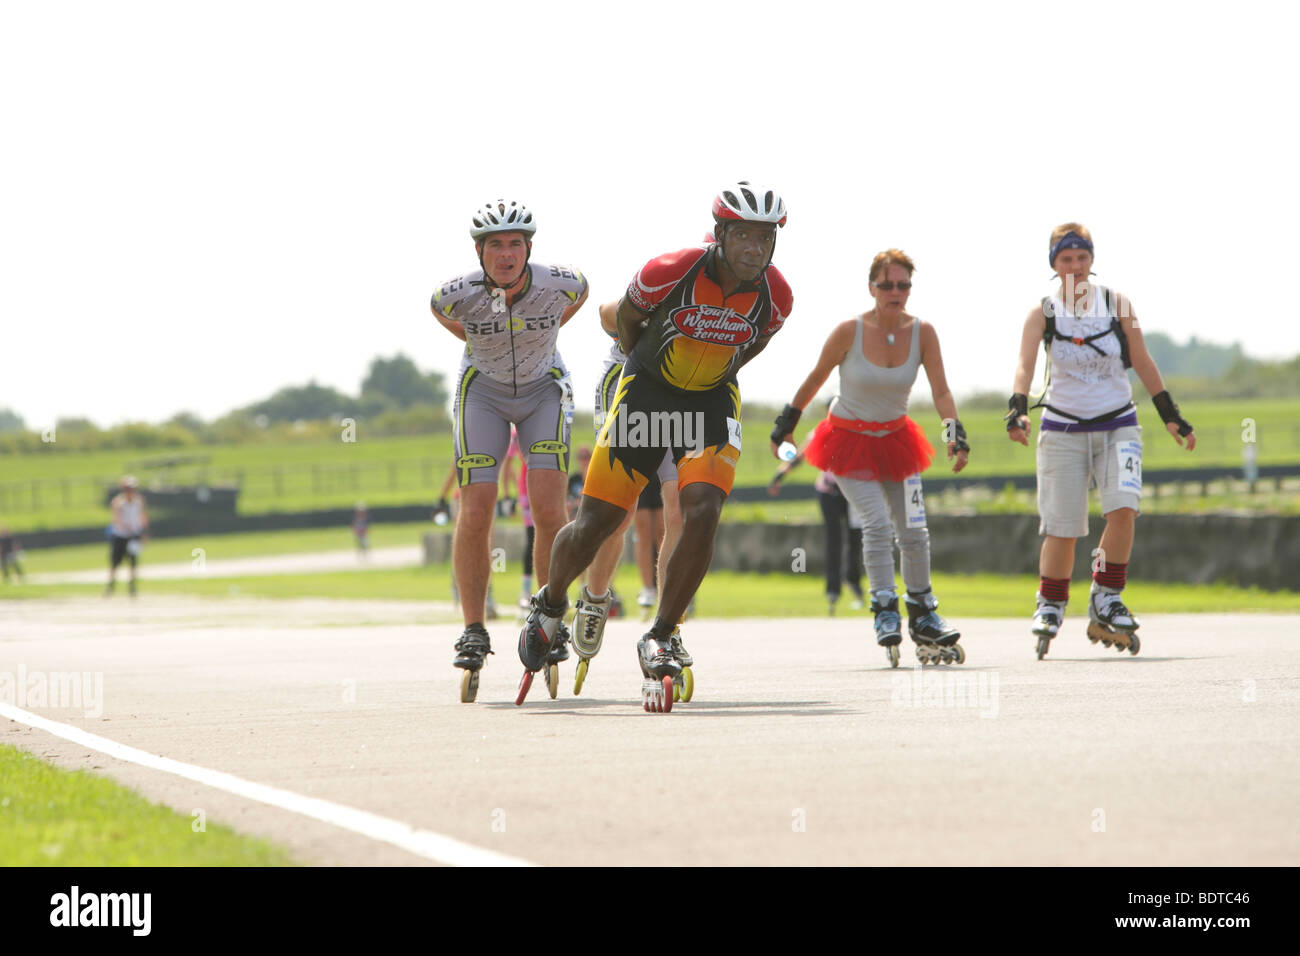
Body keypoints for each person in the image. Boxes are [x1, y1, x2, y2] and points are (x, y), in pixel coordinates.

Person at [518, 182, 793, 711]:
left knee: (703, 509)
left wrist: (716, 374)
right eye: (743, 237)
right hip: (647, 390)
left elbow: (755, 343)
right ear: (719, 236)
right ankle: (550, 606)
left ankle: (663, 633)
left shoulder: (777, 297)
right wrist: (641, 367)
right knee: (599, 522)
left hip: (711, 401)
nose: (754, 249)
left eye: (765, 238)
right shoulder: (670, 270)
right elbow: (625, 321)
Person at [1006, 223, 1195, 659]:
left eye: (1082, 258)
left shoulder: (1117, 305)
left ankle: (1106, 594)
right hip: (1063, 427)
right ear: (1054, 264)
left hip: (1118, 424)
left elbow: (1143, 361)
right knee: (1062, 527)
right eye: (1065, 259)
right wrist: (1017, 407)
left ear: (1091, 260)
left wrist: (1171, 416)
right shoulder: (1043, 313)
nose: (1074, 267)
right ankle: (1051, 602)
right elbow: (1024, 364)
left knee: (1124, 508)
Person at [773, 249, 969, 667]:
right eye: (887, 285)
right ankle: (884, 607)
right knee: (877, 524)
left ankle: (923, 609)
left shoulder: (924, 333)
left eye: (903, 285)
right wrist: (785, 423)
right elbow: (816, 376)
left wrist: (955, 433)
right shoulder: (850, 330)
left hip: (897, 440)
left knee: (915, 529)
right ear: (871, 288)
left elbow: (941, 391)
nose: (896, 292)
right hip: (848, 440)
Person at [430, 199, 589, 701]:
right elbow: (437, 309)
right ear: (479, 252)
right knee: (474, 508)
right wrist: (482, 340)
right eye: (495, 245)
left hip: (544, 389)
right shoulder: (456, 294)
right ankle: (474, 627)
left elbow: (581, 297)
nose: (506, 255)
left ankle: (549, 615)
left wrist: (543, 336)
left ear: (529, 248)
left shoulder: (561, 282)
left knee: (548, 509)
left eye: (515, 244)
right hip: (484, 392)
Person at [768, 445, 866, 615]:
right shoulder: (822, 431)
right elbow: (800, 456)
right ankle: (833, 589)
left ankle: (852, 578)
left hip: (852, 491)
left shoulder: (855, 426)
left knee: (856, 538)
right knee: (833, 539)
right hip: (828, 491)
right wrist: (779, 476)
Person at [106, 475, 149, 597]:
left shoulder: (139, 501)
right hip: (121, 535)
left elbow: (142, 516)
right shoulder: (118, 502)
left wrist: (144, 532)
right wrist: (126, 527)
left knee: (133, 562)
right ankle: (111, 586)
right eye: (129, 488)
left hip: (134, 535)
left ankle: (132, 587)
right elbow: (116, 519)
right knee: (115, 563)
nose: (131, 491)